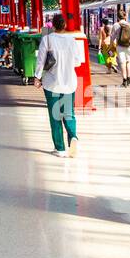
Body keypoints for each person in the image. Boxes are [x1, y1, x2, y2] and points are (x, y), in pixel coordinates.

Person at [34, 12, 86, 158]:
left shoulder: (47, 39)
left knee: (55, 115)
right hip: (69, 82)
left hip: (52, 83)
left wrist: (37, 77)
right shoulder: (72, 40)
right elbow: (77, 62)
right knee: (68, 113)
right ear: (65, 25)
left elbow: (41, 61)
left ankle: (60, 148)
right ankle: (73, 136)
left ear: (53, 26)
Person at [113, 9, 130, 88]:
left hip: (120, 46)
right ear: (125, 16)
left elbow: (112, 37)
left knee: (122, 63)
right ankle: (129, 79)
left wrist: (110, 46)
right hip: (129, 46)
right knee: (128, 62)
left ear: (118, 17)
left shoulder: (116, 25)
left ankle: (124, 81)